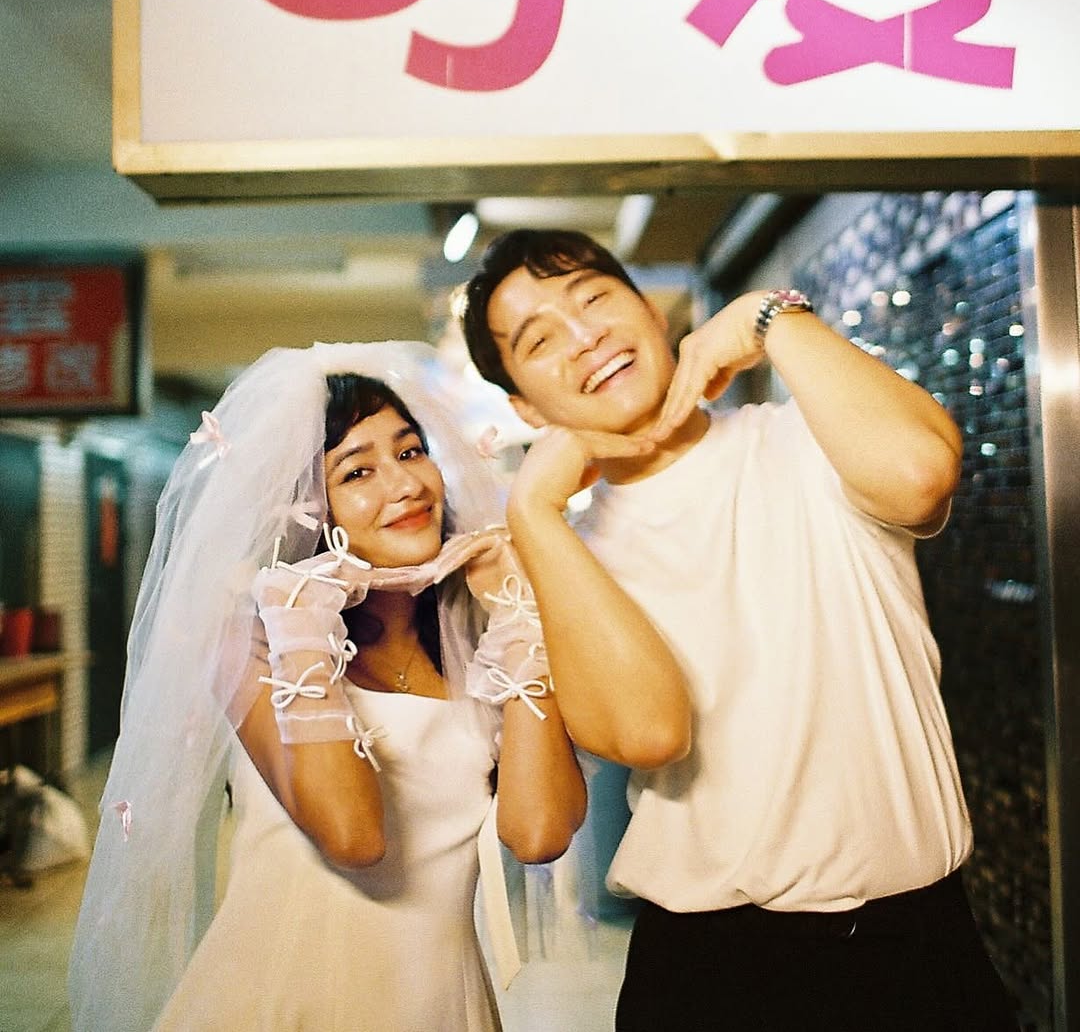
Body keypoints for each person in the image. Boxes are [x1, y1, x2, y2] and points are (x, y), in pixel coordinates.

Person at [462, 230, 1018, 1032]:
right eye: (541, 339)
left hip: (917, 944)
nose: (584, 338)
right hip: (713, 970)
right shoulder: (566, 564)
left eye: (593, 299)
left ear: (648, 310)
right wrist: (532, 513)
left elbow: (920, 475)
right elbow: (646, 732)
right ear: (524, 406)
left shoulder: (805, 440)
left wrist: (770, 318)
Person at [68, 341, 585, 1032]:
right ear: (310, 507)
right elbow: (353, 835)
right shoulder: (252, 641)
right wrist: (301, 621)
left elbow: (540, 831)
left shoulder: (481, 632)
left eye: (409, 452)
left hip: (442, 1002)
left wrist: (521, 611)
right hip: (288, 1000)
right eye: (357, 471)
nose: (404, 486)